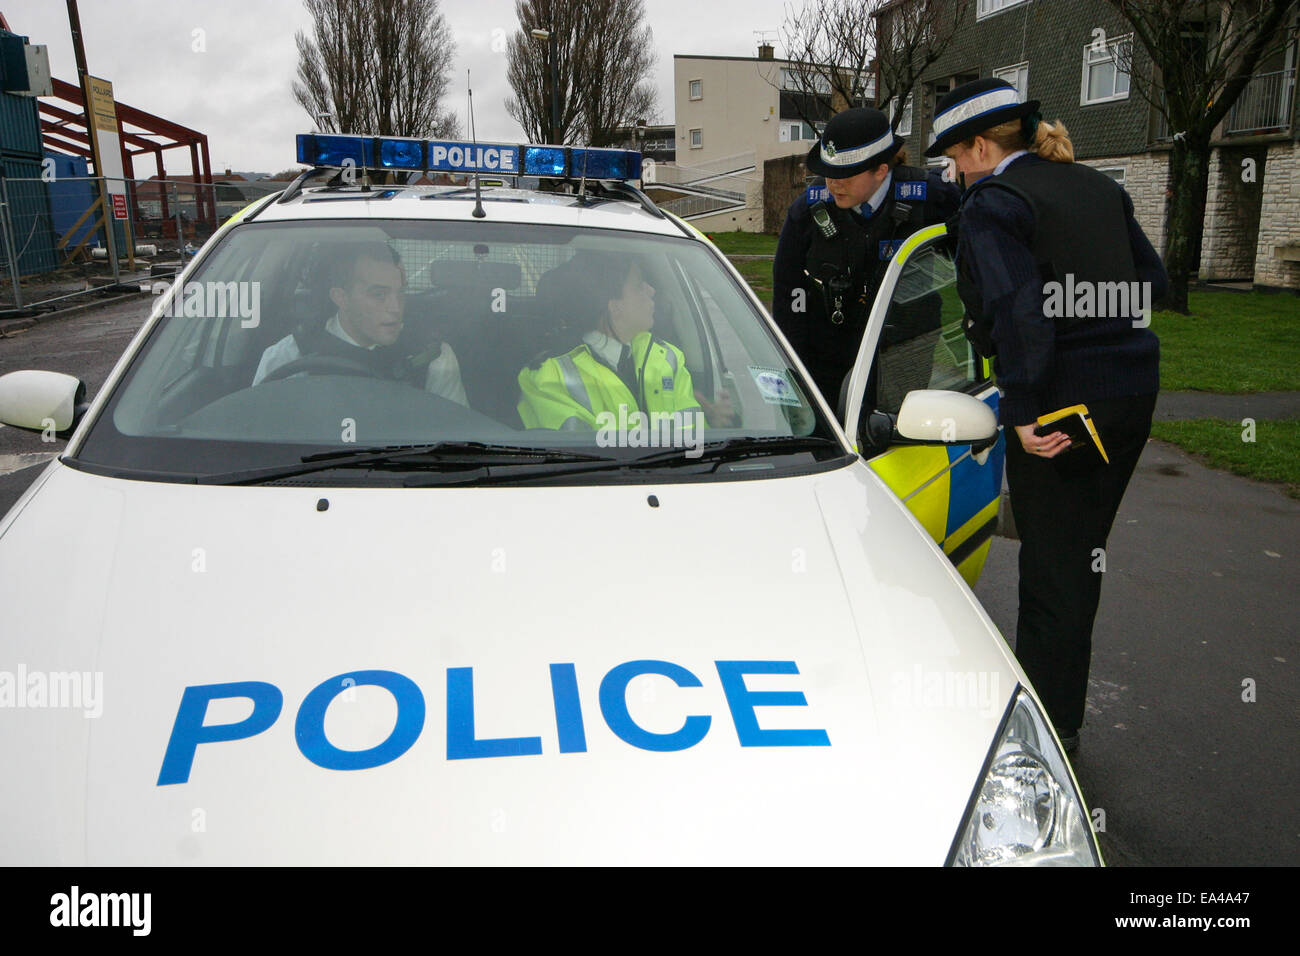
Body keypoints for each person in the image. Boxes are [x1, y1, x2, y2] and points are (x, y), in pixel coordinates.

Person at [929, 77, 1164, 753]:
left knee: (1052, 575)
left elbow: (1018, 314)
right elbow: (1152, 284)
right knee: (1079, 559)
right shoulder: (1098, 187)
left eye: (954, 155)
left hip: (1060, 405)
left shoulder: (994, 204)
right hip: (1129, 395)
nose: (953, 170)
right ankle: (1063, 717)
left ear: (980, 146)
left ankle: (1044, 743)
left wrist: (1024, 413)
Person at [773, 107, 960, 413]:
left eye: (844, 174)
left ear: (881, 171)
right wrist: (794, 367)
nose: (832, 183)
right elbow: (787, 295)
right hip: (828, 355)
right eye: (828, 172)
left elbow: (970, 261)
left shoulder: (931, 198)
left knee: (896, 436)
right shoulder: (806, 213)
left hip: (903, 350)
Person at [517, 255, 735, 432]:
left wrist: (711, 429)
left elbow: (690, 444)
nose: (652, 290)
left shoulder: (668, 358)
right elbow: (576, 465)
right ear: (615, 307)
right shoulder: (547, 376)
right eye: (639, 286)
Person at [253, 241, 468, 406]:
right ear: (341, 298)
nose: (396, 307)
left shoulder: (432, 357)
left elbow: (457, 440)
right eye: (379, 295)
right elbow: (261, 430)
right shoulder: (288, 357)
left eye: (401, 292)